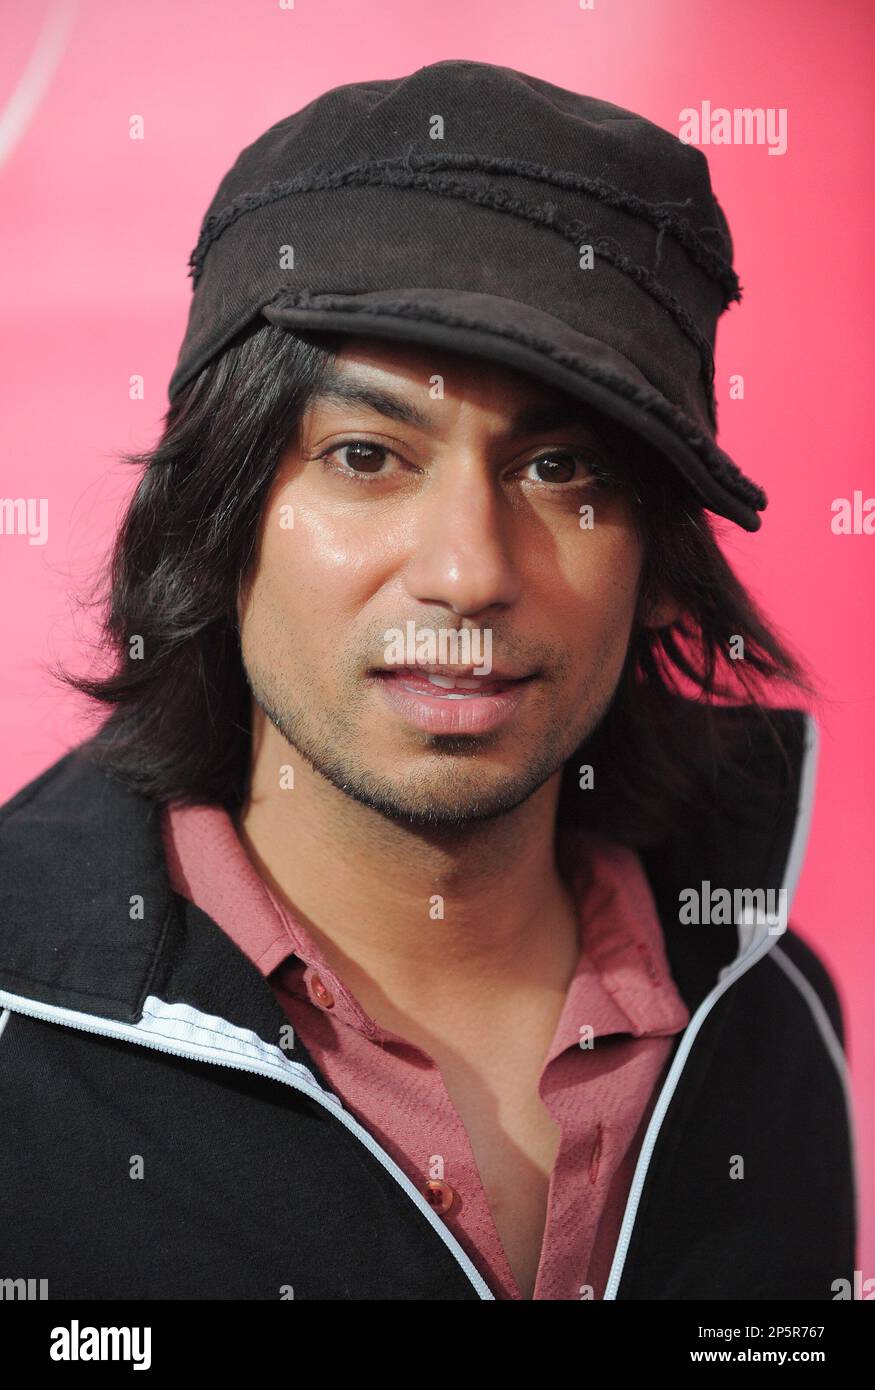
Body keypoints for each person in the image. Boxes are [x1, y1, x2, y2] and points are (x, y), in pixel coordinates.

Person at [0, 59, 856, 1301]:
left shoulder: (770, 1014)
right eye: (364, 453)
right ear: (217, 515)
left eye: (564, 471)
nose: (467, 570)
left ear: (659, 565)